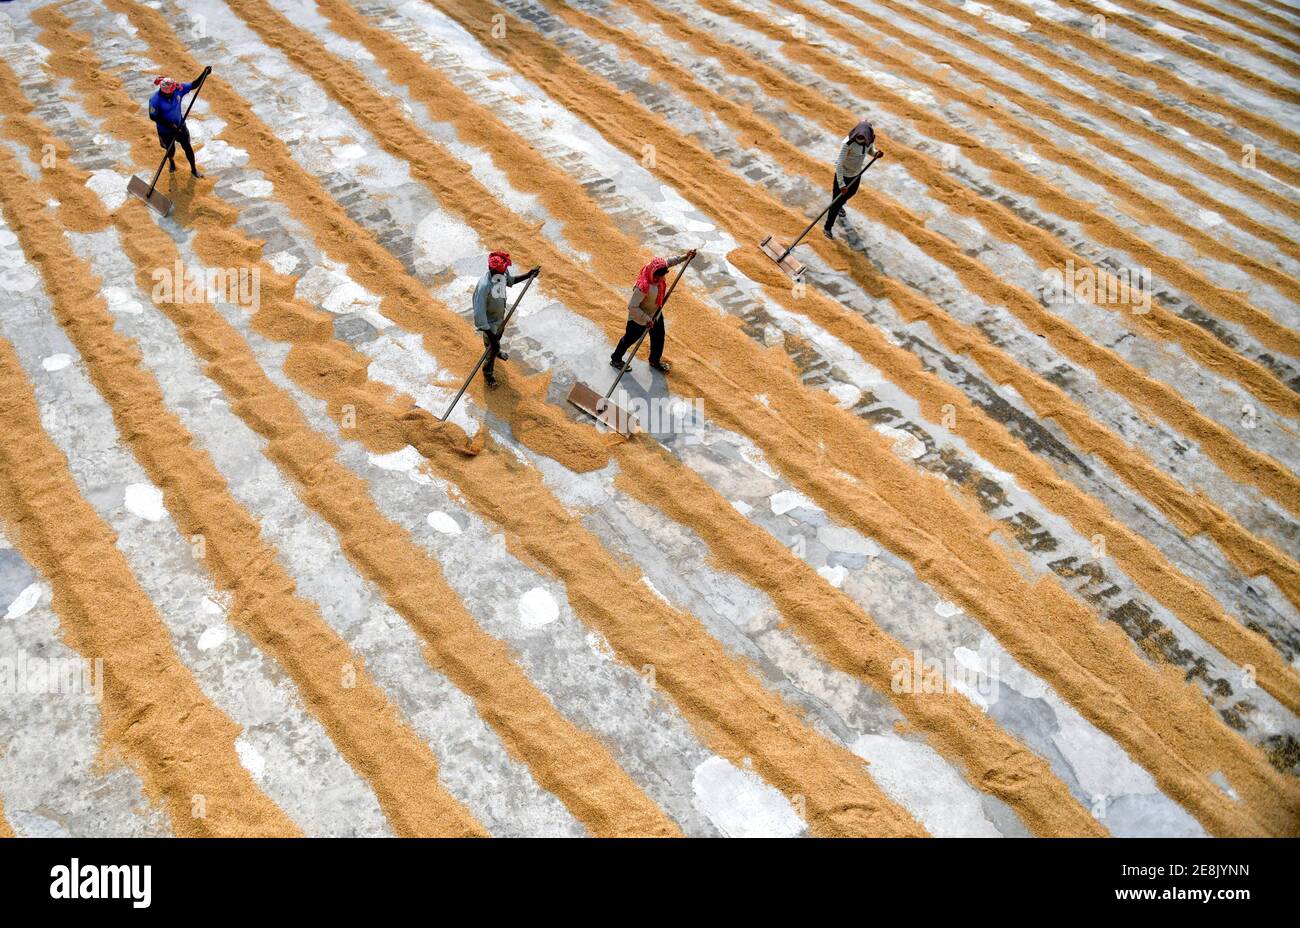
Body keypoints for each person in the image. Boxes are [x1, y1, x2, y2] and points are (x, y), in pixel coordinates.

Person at [611, 250, 695, 374]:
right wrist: (646, 318)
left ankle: (654, 360)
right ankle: (616, 359)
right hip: (639, 320)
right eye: (661, 277)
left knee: (658, 338)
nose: (663, 279)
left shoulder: (656, 266)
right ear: (654, 275)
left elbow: (669, 262)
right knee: (629, 339)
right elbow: (632, 306)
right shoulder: (643, 287)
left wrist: (685, 257)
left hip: (655, 314)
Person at [473, 250, 537, 386]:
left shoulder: (500, 273)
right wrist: (490, 335)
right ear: (491, 269)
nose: (503, 275)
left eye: (504, 272)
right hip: (489, 325)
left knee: (496, 342)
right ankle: (488, 373)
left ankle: (495, 350)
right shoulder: (484, 287)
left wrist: (528, 275)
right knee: (491, 347)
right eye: (501, 273)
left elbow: (510, 281)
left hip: (499, 318)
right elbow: (479, 314)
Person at [823, 119, 881, 240]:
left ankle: (841, 206)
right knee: (835, 203)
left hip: (856, 174)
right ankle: (827, 227)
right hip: (843, 175)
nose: (864, 139)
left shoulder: (869, 139)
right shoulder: (847, 143)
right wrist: (841, 184)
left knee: (851, 193)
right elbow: (839, 163)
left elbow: (870, 150)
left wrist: (875, 153)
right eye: (862, 137)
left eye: (866, 137)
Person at [149, 67, 211, 178]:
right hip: (166, 130)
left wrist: (204, 74)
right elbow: (153, 117)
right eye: (171, 92)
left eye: (174, 91)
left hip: (180, 126)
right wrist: (170, 125)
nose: (174, 92)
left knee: (187, 147)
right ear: (165, 93)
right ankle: (172, 161)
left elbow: (193, 85)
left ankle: (193, 169)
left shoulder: (177, 88)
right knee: (170, 150)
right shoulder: (155, 99)